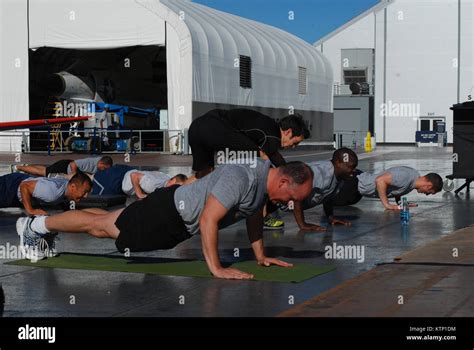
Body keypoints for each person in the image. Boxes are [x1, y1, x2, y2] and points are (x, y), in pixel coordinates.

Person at [16, 161, 313, 279]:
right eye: (293, 198)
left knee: (106, 222)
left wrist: (260, 256)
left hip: (173, 221)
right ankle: (34, 226)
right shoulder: (243, 177)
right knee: (101, 227)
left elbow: (252, 217)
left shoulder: (262, 185)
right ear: (285, 182)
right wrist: (218, 269)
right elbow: (209, 219)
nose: (290, 204)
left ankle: (42, 228)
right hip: (166, 213)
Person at [188, 109, 310, 178]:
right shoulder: (273, 135)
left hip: (197, 126)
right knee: (263, 165)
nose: (292, 147)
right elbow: (272, 159)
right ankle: (263, 215)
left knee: (203, 174)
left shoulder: (267, 125)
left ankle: (175, 192)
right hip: (215, 128)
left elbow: (276, 157)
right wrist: (290, 177)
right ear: (288, 132)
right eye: (295, 143)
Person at [322, 167, 443, 217]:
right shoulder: (407, 177)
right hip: (353, 183)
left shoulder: (413, 181)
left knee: (343, 202)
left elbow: (397, 188)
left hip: (358, 191)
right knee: (325, 200)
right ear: (428, 186)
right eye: (430, 192)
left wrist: (400, 204)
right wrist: (387, 205)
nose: (427, 194)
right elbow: (380, 180)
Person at [291, 148, 358, 231]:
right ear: (338, 163)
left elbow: (327, 196)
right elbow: (296, 191)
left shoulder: (340, 176)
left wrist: (330, 217)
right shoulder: (321, 173)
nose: (354, 170)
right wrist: (302, 225)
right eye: (351, 167)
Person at [0, 172, 92, 216]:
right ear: (73, 187)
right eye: (84, 192)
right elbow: (24, 186)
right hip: (10, 188)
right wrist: (30, 210)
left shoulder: (65, 186)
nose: (86, 196)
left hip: (20, 181)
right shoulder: (52, 193)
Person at [12, 156, 113, 177]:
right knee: (43, 173)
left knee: (45, 169)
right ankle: (18, 167)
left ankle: (25, 166)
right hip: (65, 168)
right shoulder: (90, 162)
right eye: (104, 168)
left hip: (66, 165)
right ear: (101, 163)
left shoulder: (101, 161)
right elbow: (74, 164)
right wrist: (73, 176)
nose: (103, 170)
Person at [121, 170, 187, 199]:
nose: (176, 189)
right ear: (173, 180)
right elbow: (134, 175)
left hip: (138, 172)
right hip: (127, 181)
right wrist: (139, 194)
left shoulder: (168, 177)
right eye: (177, 186)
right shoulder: (152, 185)